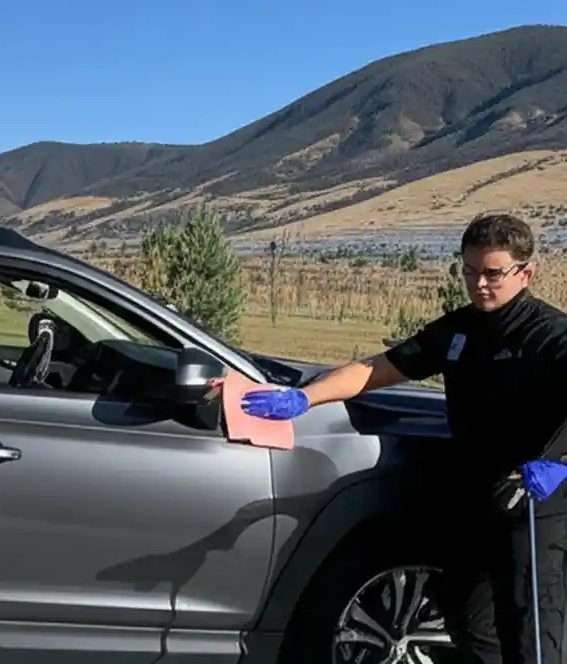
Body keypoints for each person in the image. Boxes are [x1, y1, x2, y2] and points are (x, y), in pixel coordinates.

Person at [241, 212, 567, 663]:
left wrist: (562, 461)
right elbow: (378, 369)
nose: (480, 284)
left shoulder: (550, 335)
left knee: (533, 627)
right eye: (470, 272)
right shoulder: (459, 330)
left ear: (525, 272)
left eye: (493, 273)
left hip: (536, 500)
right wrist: (304, 397)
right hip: (475, 495)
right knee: (470, 625)